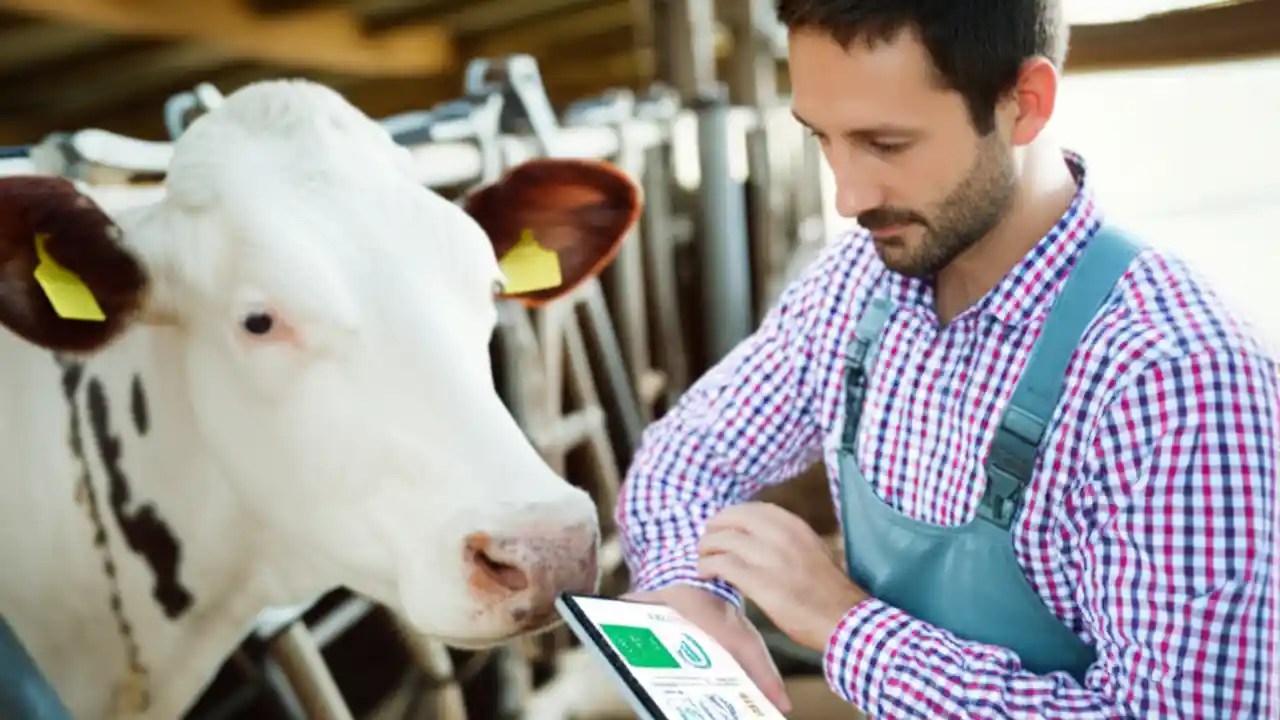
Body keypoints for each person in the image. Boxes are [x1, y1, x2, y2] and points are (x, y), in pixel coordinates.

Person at [614, 1, 1278, 718]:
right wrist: (690, 592)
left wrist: (844, 627)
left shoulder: (1177, 378)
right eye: (823, 140)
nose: (848, 196)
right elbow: (683, 458)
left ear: (1025, 105)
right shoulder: (854, 288)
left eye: (887, 144)